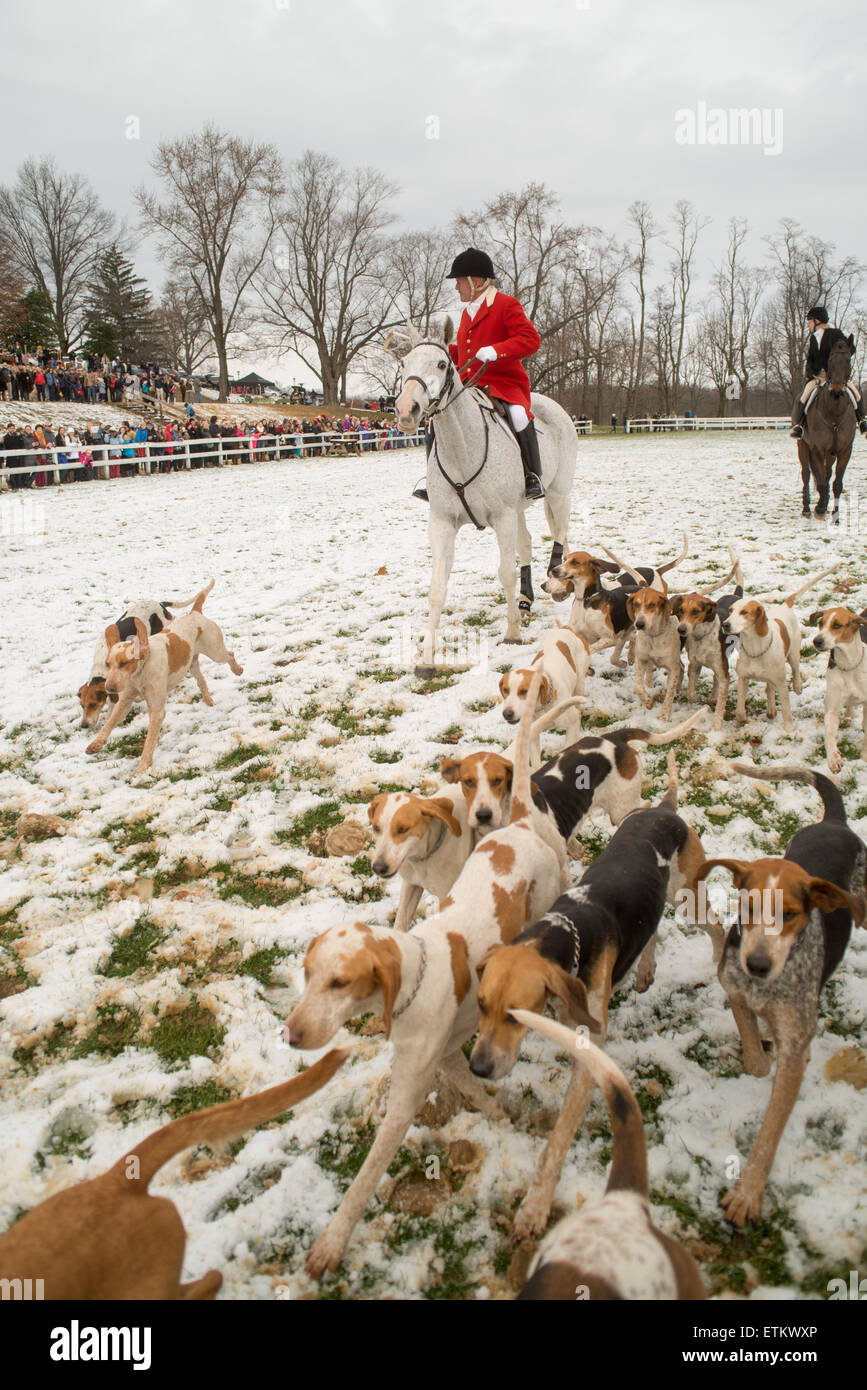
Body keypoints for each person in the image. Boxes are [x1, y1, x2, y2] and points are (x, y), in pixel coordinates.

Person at [413, 247, 544, 502]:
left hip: (504, 384)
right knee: (434, 420)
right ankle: (432, 479)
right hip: (470, 387)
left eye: (460, 281)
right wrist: (435, 351)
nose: (457, 288)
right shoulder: (466, 313)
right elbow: (463, 356)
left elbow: (531, 340)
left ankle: (532, 476)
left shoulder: (506, 305)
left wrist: (497, 350)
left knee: (518, 416)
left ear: (478, 281)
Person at [790, 306, 867, 439]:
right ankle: (799, 426)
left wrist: (839, 364)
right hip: (818, 377)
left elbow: (850, 348)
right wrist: (810, 371)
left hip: (836, 376)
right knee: (803, 397)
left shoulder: (835, 333)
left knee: (855, 394)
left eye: (810, 321)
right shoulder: (813, 338)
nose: (808, 324)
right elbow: (811, 358)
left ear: (817, 321)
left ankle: (862, 421)